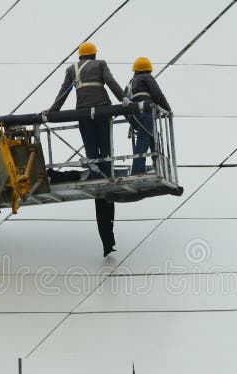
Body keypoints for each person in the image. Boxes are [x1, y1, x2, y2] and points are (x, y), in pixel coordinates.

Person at [47, 41, 129, 257]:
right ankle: (105, 171)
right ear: (94, 54)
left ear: (80, 56)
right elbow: (110, 82)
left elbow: (63, 91)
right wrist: (124, 99)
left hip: (83, 112)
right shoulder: (100, 64)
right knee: (105, 150)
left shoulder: (71, 69)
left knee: (91, 150)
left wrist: (52, 111)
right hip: (102, 110)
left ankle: (95, 172)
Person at [125, 57, 171, 174]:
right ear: (148, 70)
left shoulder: (130, 83)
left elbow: (124, 103)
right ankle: (138, 170)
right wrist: (168, 110)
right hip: (144, 112)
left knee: (152, 135)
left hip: (133, 115)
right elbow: (157, 94)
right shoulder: (146, 77)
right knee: (144, 139)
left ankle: (157, 164)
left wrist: (130, 120)